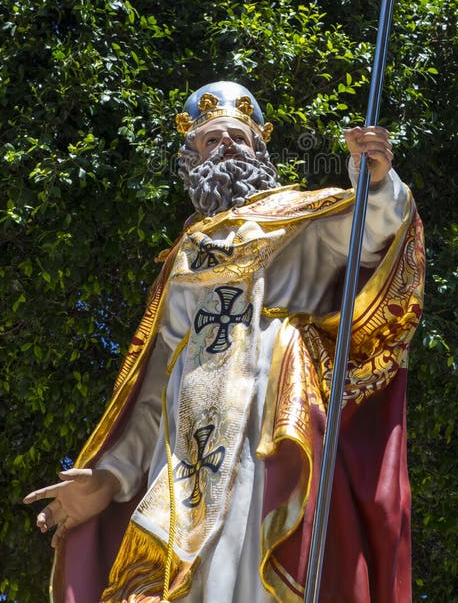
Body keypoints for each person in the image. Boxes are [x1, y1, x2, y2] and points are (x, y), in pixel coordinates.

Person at [24, 81, 424, 603]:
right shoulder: (185, 257)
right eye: (213, 140)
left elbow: (377, 230)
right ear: (191, 157)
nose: (228, 146)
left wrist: (374, 181)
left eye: (240, 137)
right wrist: (109, 480)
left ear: (262, 149)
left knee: (253, 558)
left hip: (272, 413)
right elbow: (150, 392)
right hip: (187, 443)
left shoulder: (304, 217)